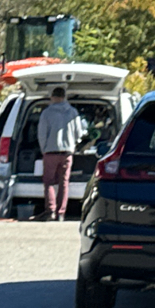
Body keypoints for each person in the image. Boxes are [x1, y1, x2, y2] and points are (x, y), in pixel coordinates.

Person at [37, 86, 88, 221]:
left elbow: (42, 134)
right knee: (64, 182)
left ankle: (51, 210)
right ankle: (61, 213)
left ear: (53, 97)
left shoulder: (46, 113)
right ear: (64, 97)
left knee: (48, 182)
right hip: (67, 152)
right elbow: (79, 133)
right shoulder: (73, 112)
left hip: (50, 152)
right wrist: (74, 144)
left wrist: (44, 149)